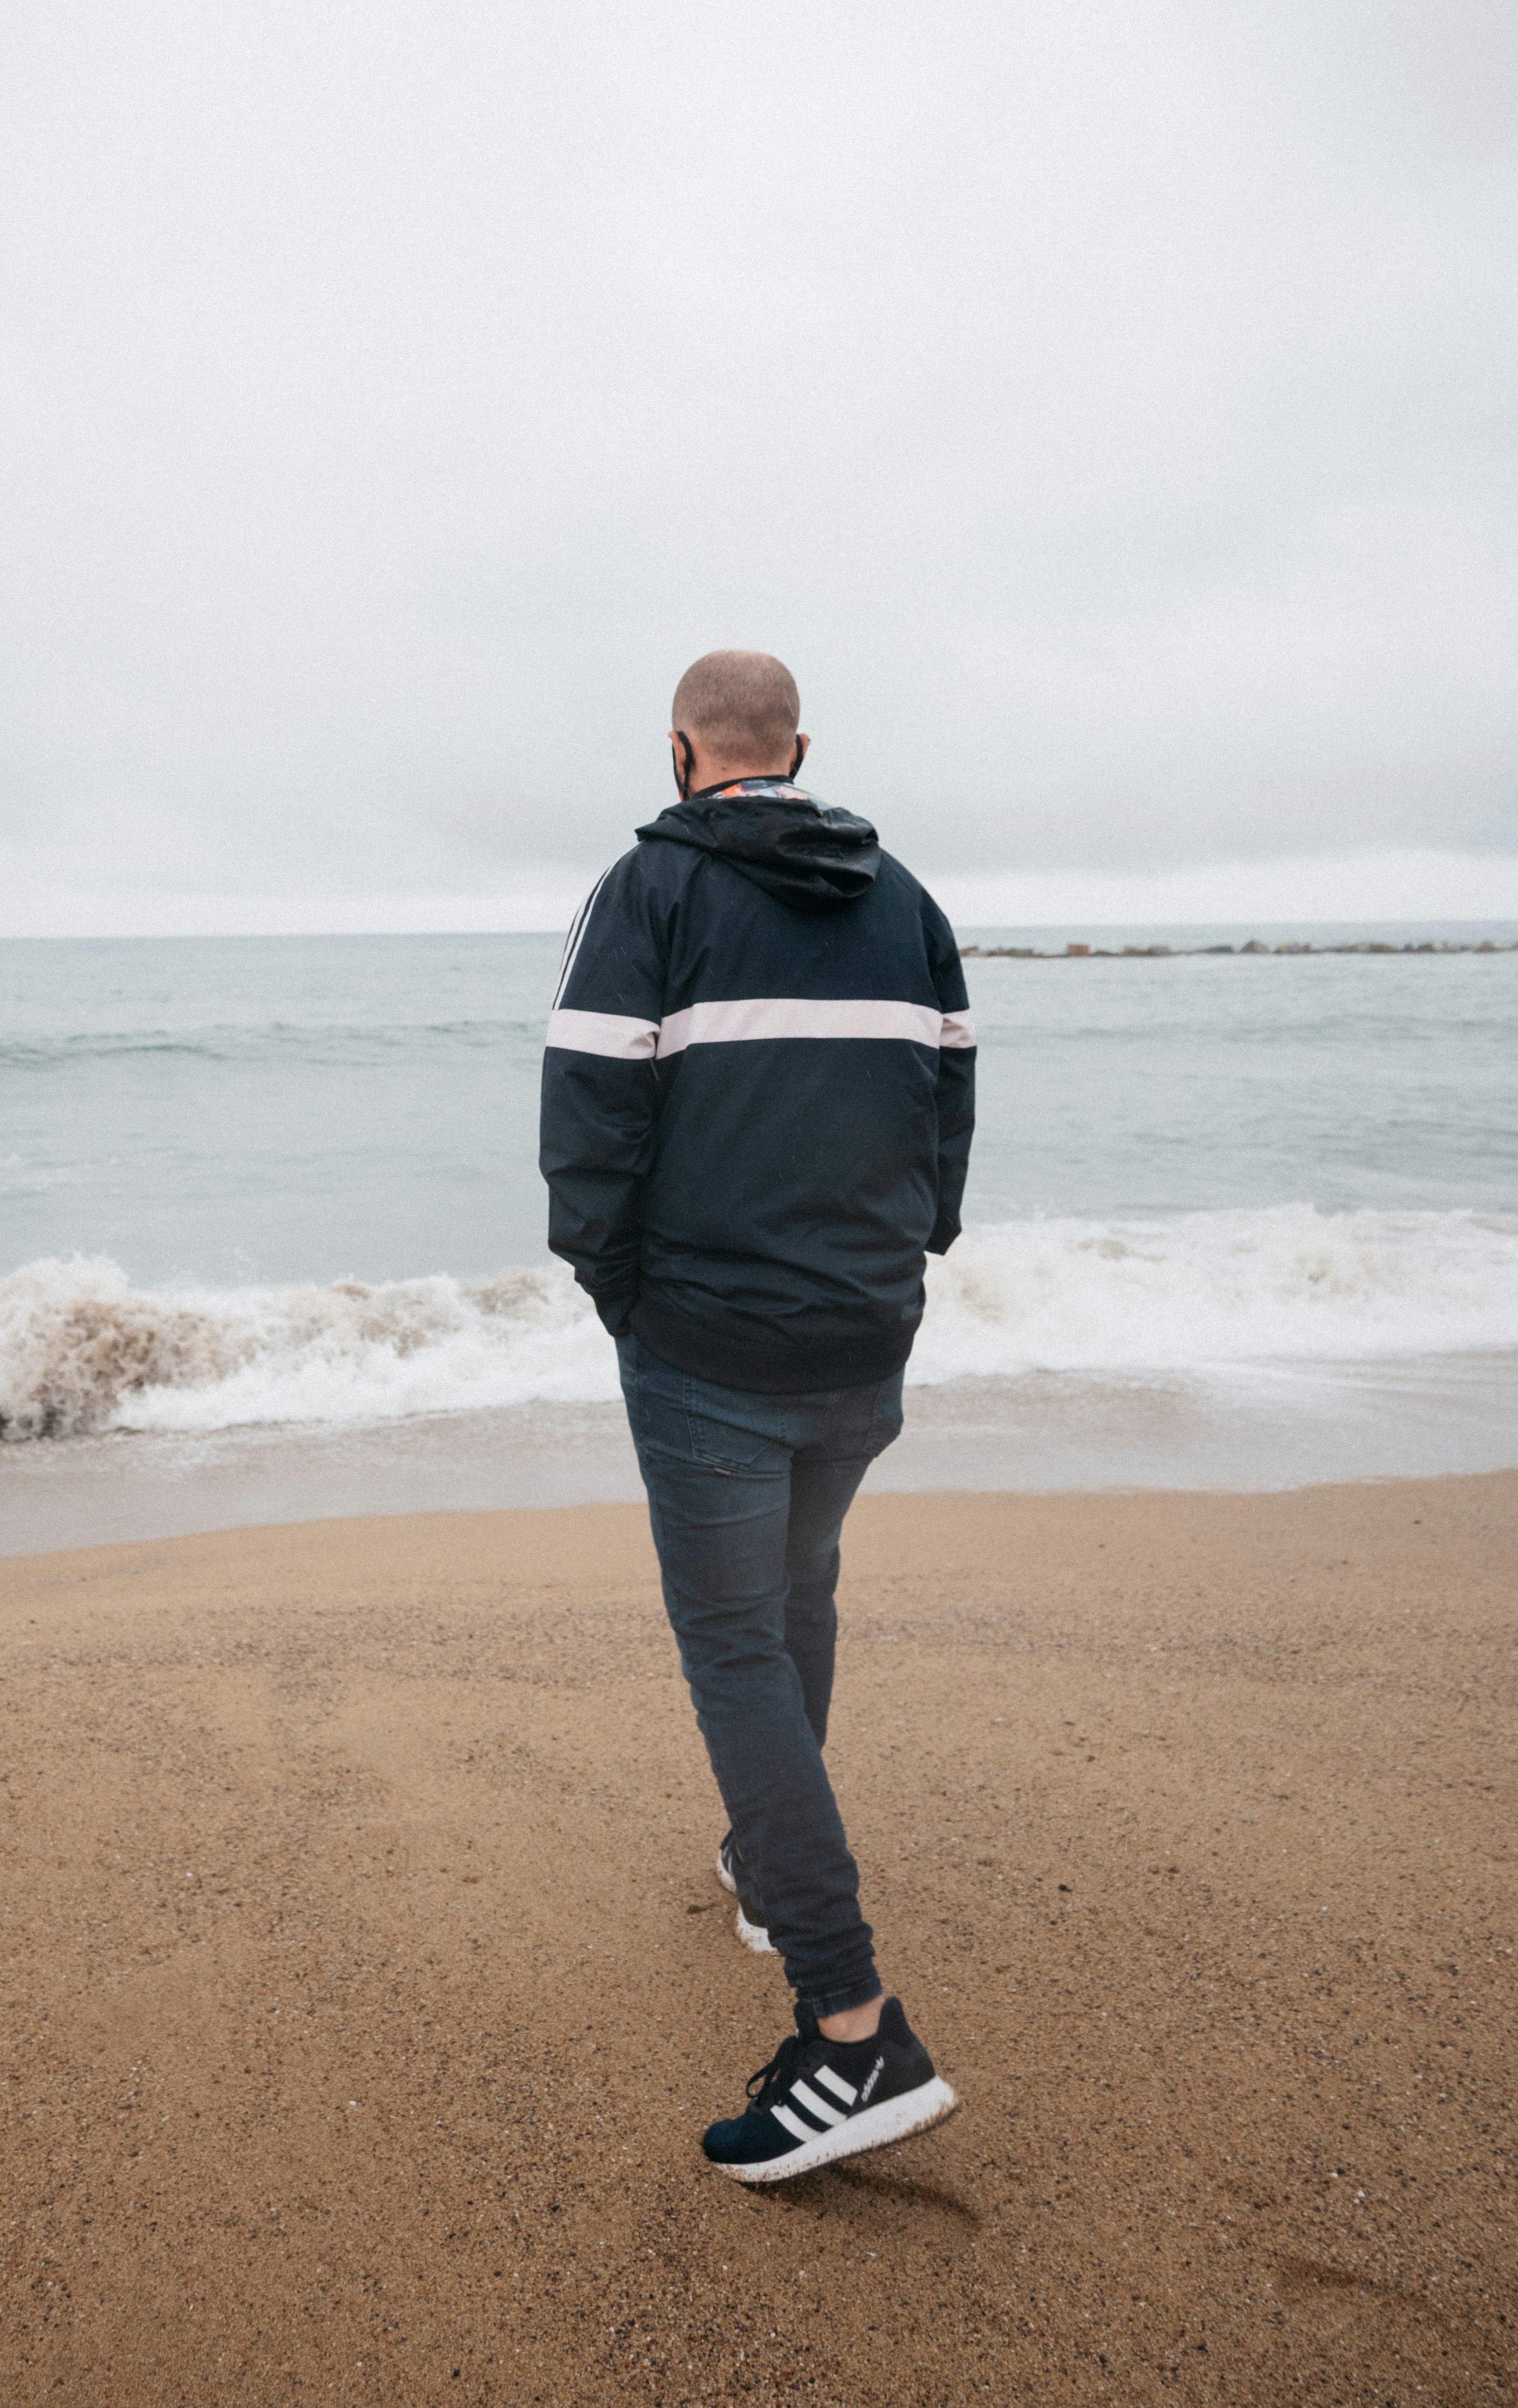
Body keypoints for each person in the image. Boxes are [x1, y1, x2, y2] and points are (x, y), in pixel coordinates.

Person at [538, 649, 974, 2182]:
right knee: (796, 1594)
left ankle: (852, 2029)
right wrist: (897, 1264)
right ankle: (760, 1857)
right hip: (860, 1334)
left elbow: (585, 1125)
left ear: (680, 752)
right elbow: (946, 1115)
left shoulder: (643, 892)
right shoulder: (903, 896)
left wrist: (622, 1297)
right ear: (799, 748)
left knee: (735, 1644)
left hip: (712, 1345)